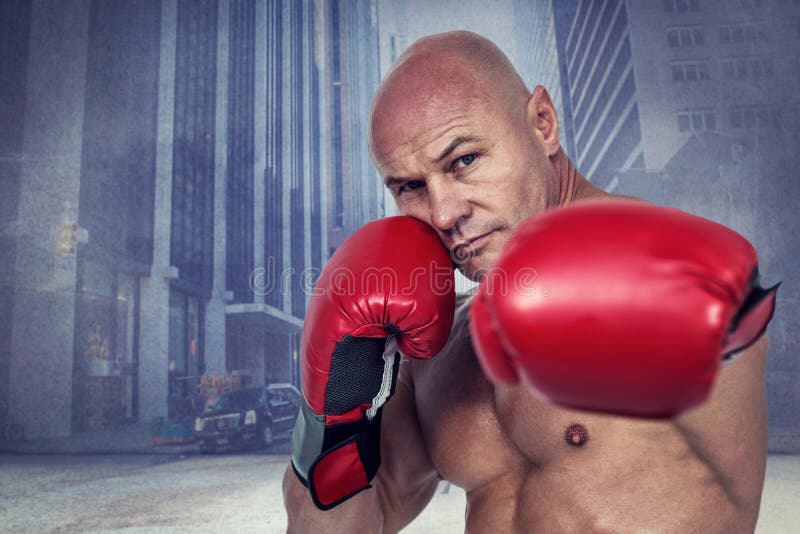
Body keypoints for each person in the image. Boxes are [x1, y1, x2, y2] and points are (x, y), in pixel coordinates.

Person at [283, 31, 776, 532]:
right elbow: (344, 523)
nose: (444, 212)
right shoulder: (436, 350)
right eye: (410, 187)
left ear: (542, 124)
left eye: (464, 161)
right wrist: (335, 406)